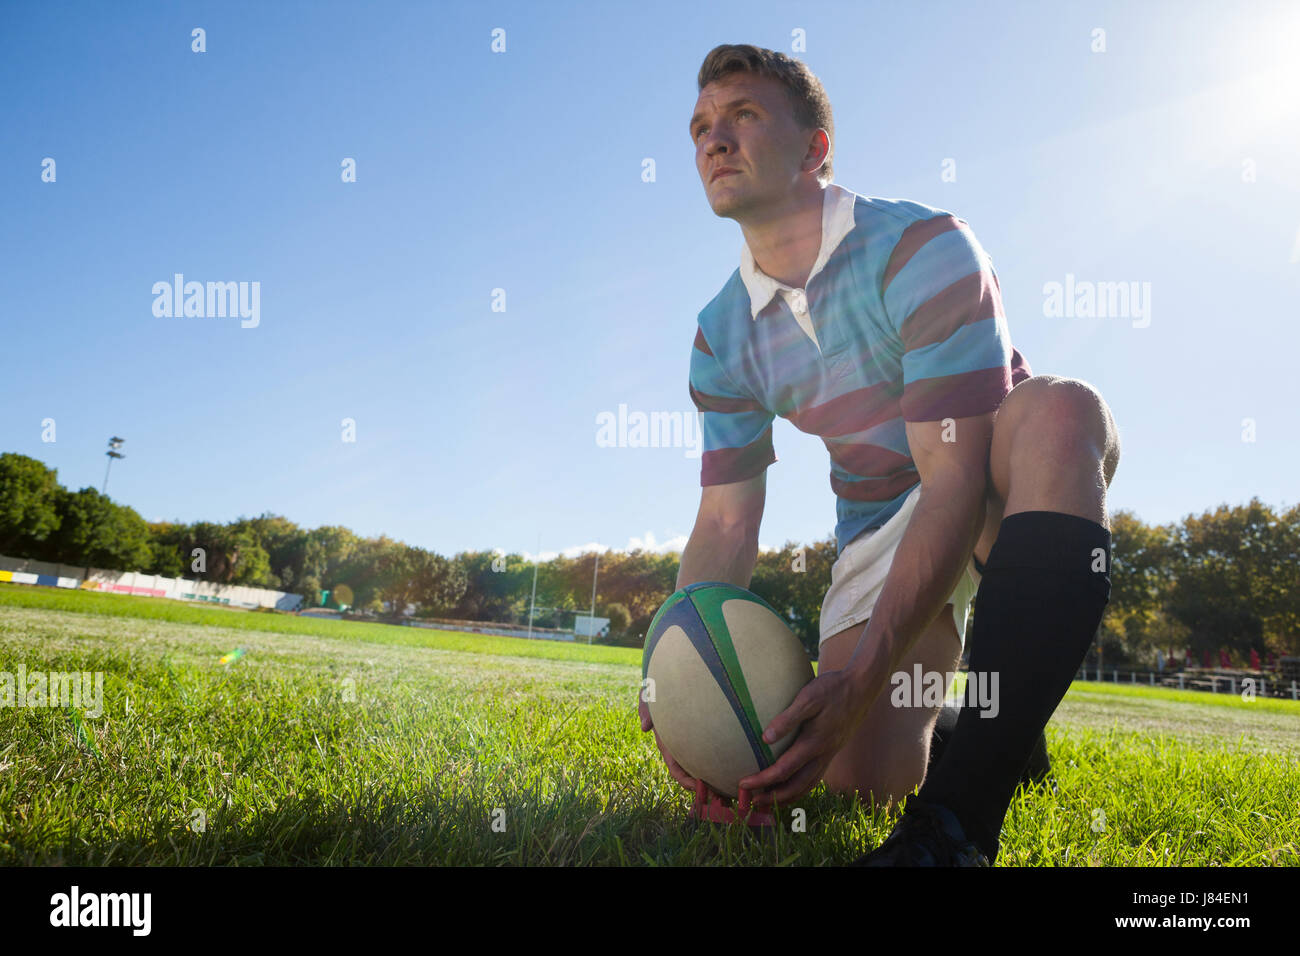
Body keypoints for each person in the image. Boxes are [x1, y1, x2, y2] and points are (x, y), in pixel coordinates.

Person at [637, 43, 1120, 866]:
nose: (715, 140)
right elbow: (724, 521)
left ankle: (958, 824)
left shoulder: (922, 245)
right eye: (701, 127)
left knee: (1060, 412)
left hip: (992, 470)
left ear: (815, 149)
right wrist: (675, 681)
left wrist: (860, 683)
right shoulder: (719, 335)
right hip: (874, 515)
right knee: (856, 780)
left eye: (744, 116)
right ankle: (991, 716)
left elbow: (954, 479)